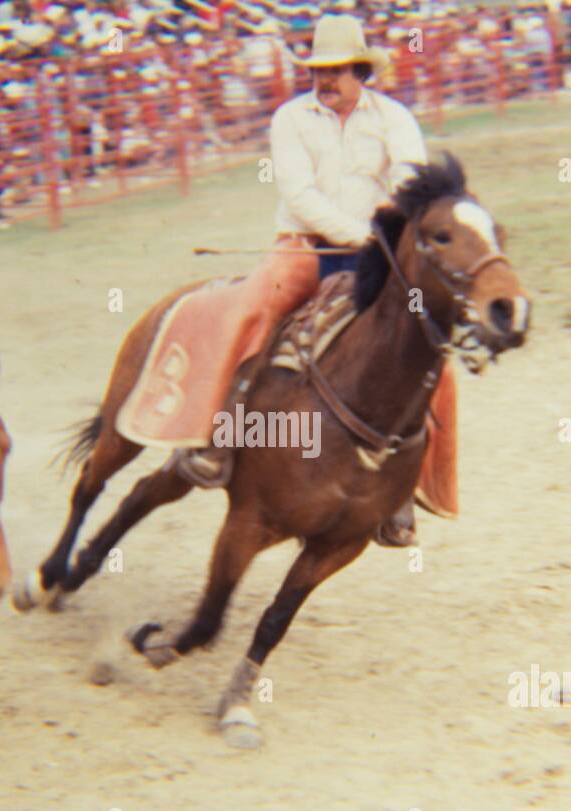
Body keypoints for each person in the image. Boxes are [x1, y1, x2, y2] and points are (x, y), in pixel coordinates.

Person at [173, 13, 454, 547]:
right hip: (307, 247)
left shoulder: (394, 118)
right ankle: (220, 439)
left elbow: (409, 178)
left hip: (381, 254)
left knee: (429, 347)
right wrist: (359, 235)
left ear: (360, 71)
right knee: (251, 311)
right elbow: (300, 196)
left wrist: (383, 230)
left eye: (336, 71)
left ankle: (404, 488)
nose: (325, 81)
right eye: (318, 71)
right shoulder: (290, 119)